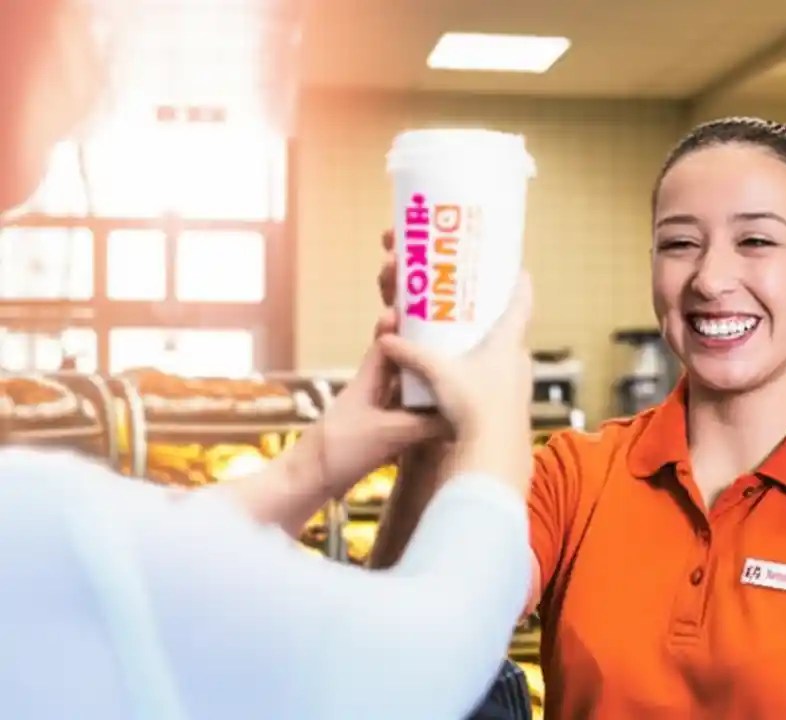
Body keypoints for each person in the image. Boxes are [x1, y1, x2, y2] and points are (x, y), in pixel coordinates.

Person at [0, 1, 538, 718]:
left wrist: (310, 468)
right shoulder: (41, 521)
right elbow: (407, 670)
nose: (93, 50)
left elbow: (117, 575)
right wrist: (497, 438)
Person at [368, 117, 786, 718]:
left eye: (756, 241)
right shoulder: (574, 477)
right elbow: (420, 644)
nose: (710, 279)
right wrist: (432, 415)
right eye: (680, 244)